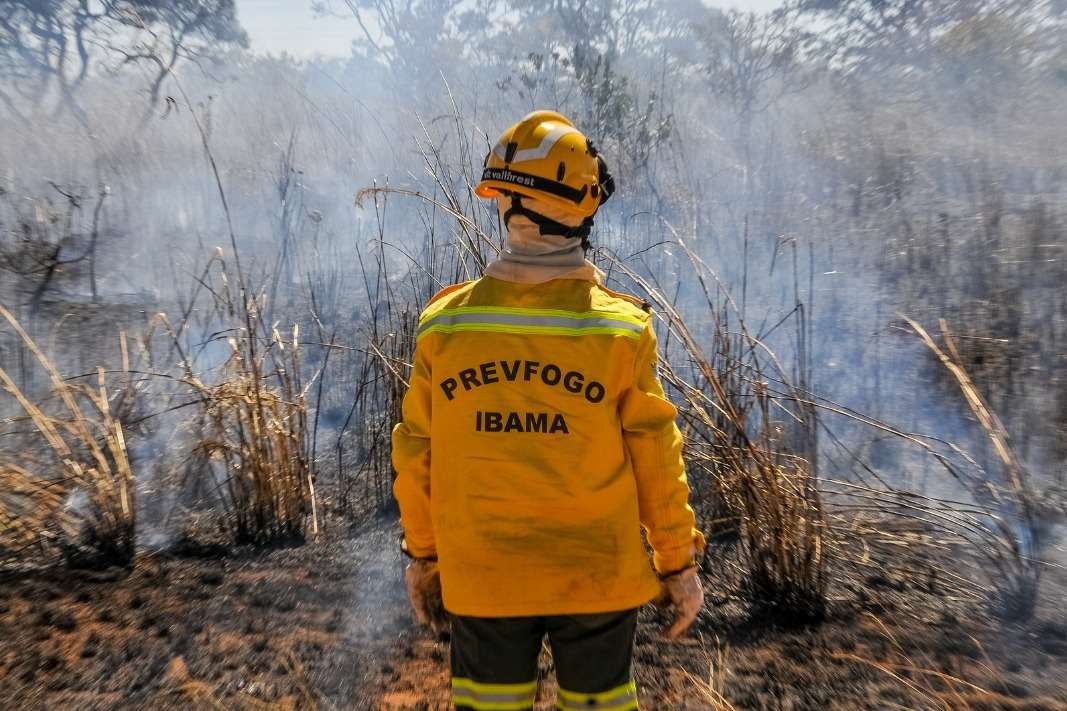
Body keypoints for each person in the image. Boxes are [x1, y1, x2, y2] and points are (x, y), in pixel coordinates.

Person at [391, 110, 705, 711]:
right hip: (596, 580)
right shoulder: (621, 330)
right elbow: (656, 458)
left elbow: (416, 457)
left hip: (484, 579)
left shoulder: (445, 325)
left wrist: (425, 558)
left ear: (502, 202)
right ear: (585, 207)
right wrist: (677, 564)